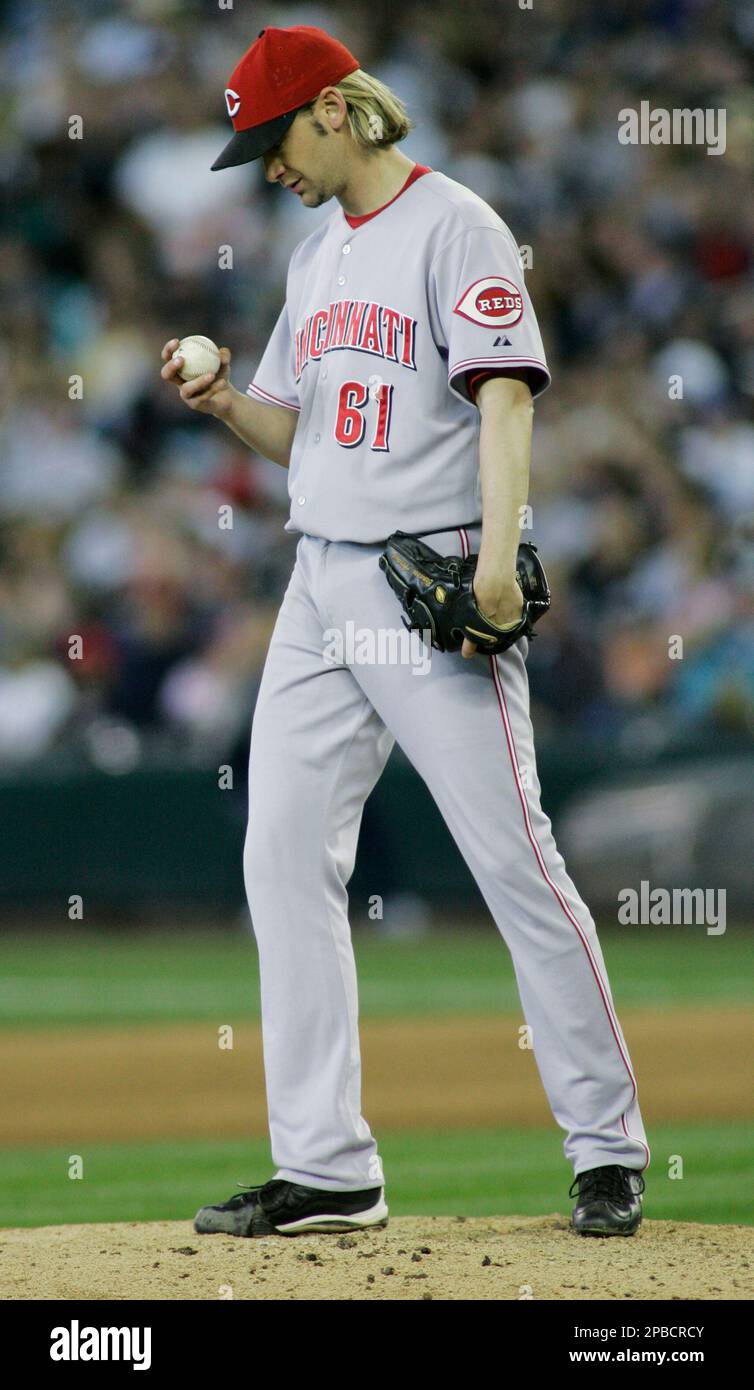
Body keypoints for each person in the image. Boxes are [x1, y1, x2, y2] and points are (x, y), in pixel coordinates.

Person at [161, 24, 648, 1240]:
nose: (262, 166)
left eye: (271, 140)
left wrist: (494, 561)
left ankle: (607, 1148)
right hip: (316, 585)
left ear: (334, 111)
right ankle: (326, 1166)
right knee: (279, 854)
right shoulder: (316, 256)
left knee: (513, 862)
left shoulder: (458, 226)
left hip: (426, 580)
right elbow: (301, 434)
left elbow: (502, 399)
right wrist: (226, 400)